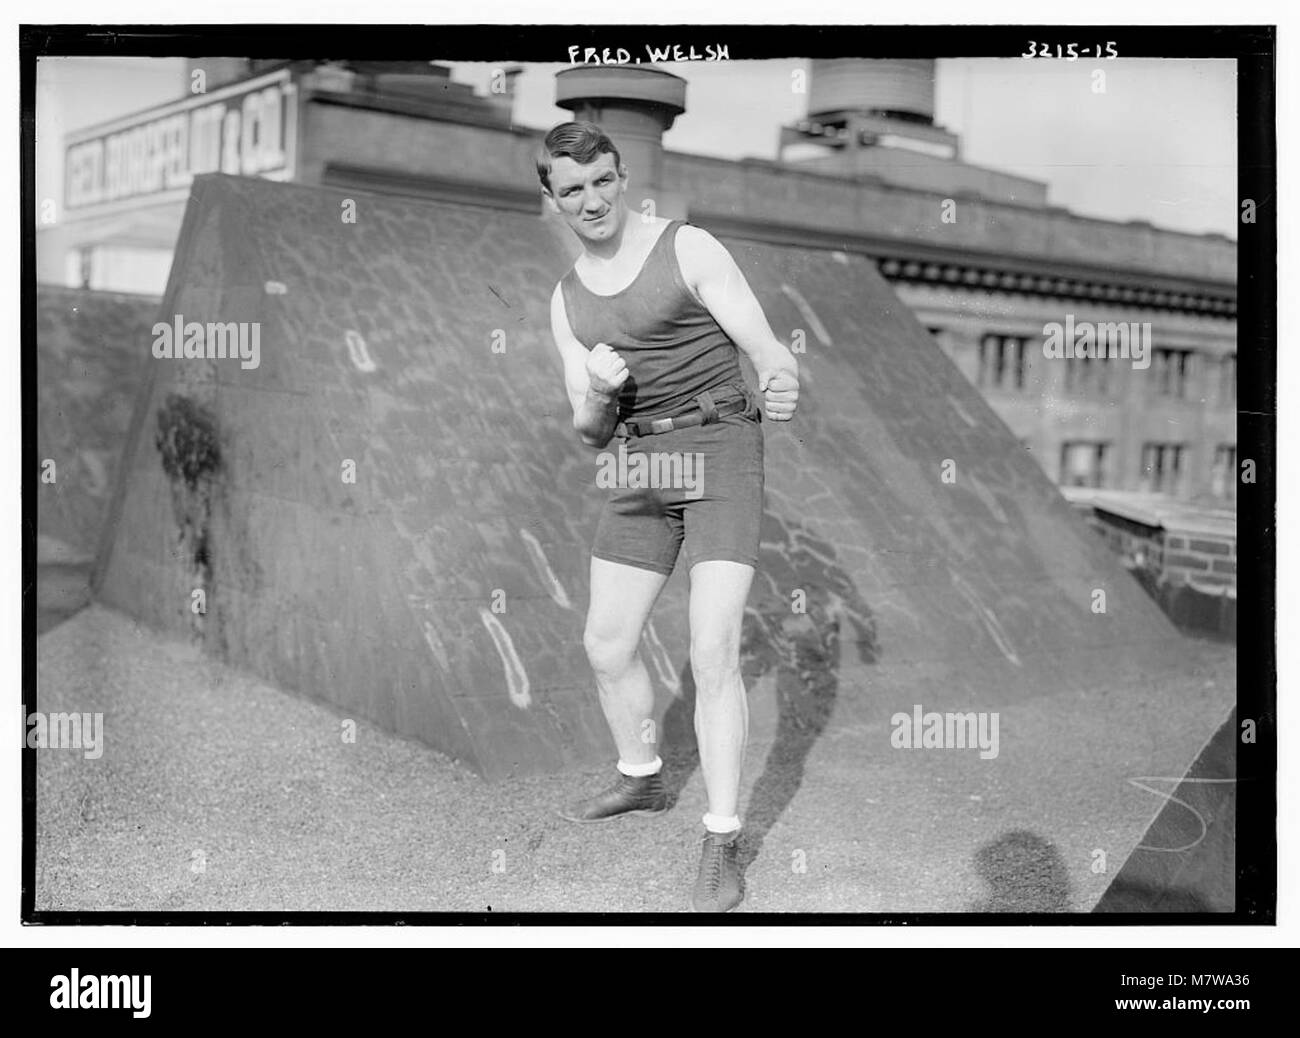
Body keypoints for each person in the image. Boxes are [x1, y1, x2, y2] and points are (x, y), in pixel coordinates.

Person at [540, 121, 799, 912]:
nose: (592, 200)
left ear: (622, 180)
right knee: (606, 643)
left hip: (721, 445)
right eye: (573, 189)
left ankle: (721, 842)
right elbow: (587, 432)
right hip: (638, 459)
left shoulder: (688, 248)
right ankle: (643, 777)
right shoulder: (567, 302)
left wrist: (783, 378)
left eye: (603, 182)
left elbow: (768, 352)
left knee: (713, 647)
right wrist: (598, 392)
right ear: (553, 199)